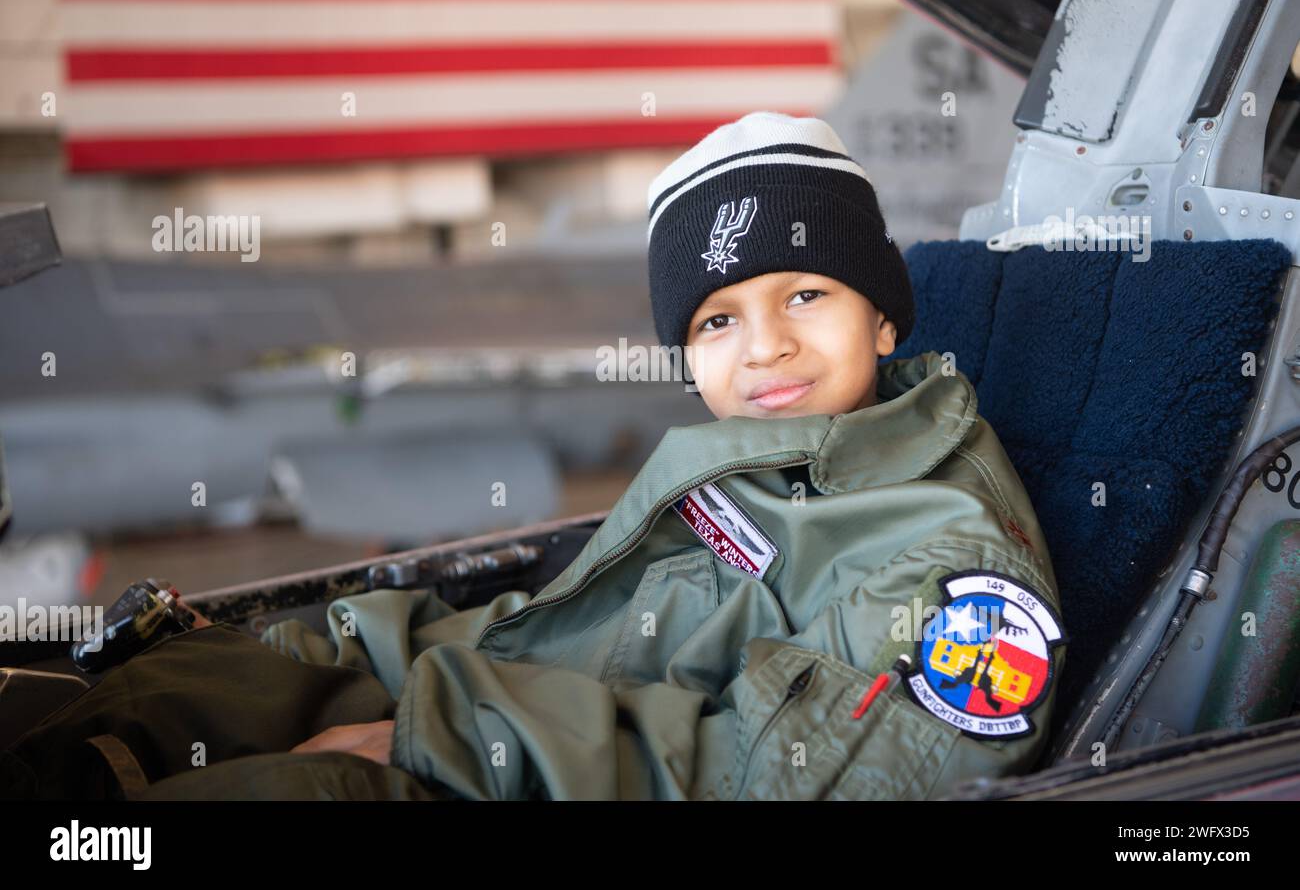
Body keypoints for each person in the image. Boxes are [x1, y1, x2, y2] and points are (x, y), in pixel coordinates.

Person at [1, 112, 1064, 800]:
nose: (766, 345)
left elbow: (789, 778)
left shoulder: (953, 576)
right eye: (715, 320)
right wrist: (339, 644)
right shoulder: (758, 456)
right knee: (185, 686)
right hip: (521, 721)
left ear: (885, 320)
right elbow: (574, 624)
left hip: (521, 765)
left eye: (806, 294)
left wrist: (435, 736)